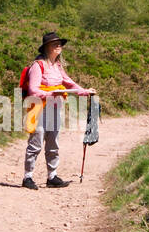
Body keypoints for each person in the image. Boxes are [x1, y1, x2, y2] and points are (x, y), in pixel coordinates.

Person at [21, 31, 96, 189]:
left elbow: (69, 83)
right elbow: (33, 90)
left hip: (55, 107)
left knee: (53, 141)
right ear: (47, 47)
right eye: (55, 44)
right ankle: (27, 177)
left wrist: (85, 91)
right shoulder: (38, 65)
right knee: (36, 142)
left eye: (59, 43)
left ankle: (52, 176)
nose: (59, 46)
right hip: (38, 107)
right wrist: (51, 93)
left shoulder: (57, 66)